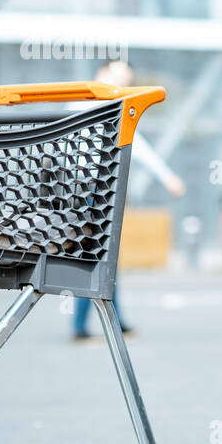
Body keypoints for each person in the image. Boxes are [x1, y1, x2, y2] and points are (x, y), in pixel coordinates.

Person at [70, 60, 187, 342]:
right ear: (102, 73)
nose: (122, 84)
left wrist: (166, 176)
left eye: (126, 80)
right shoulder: (85, 105)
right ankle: (90, 323)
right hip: (86, 194)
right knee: (94, 258)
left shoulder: (113, 107)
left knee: (102, 258)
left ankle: (110, 319)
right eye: (118, 76)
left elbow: (138, 145)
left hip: (99, 192)